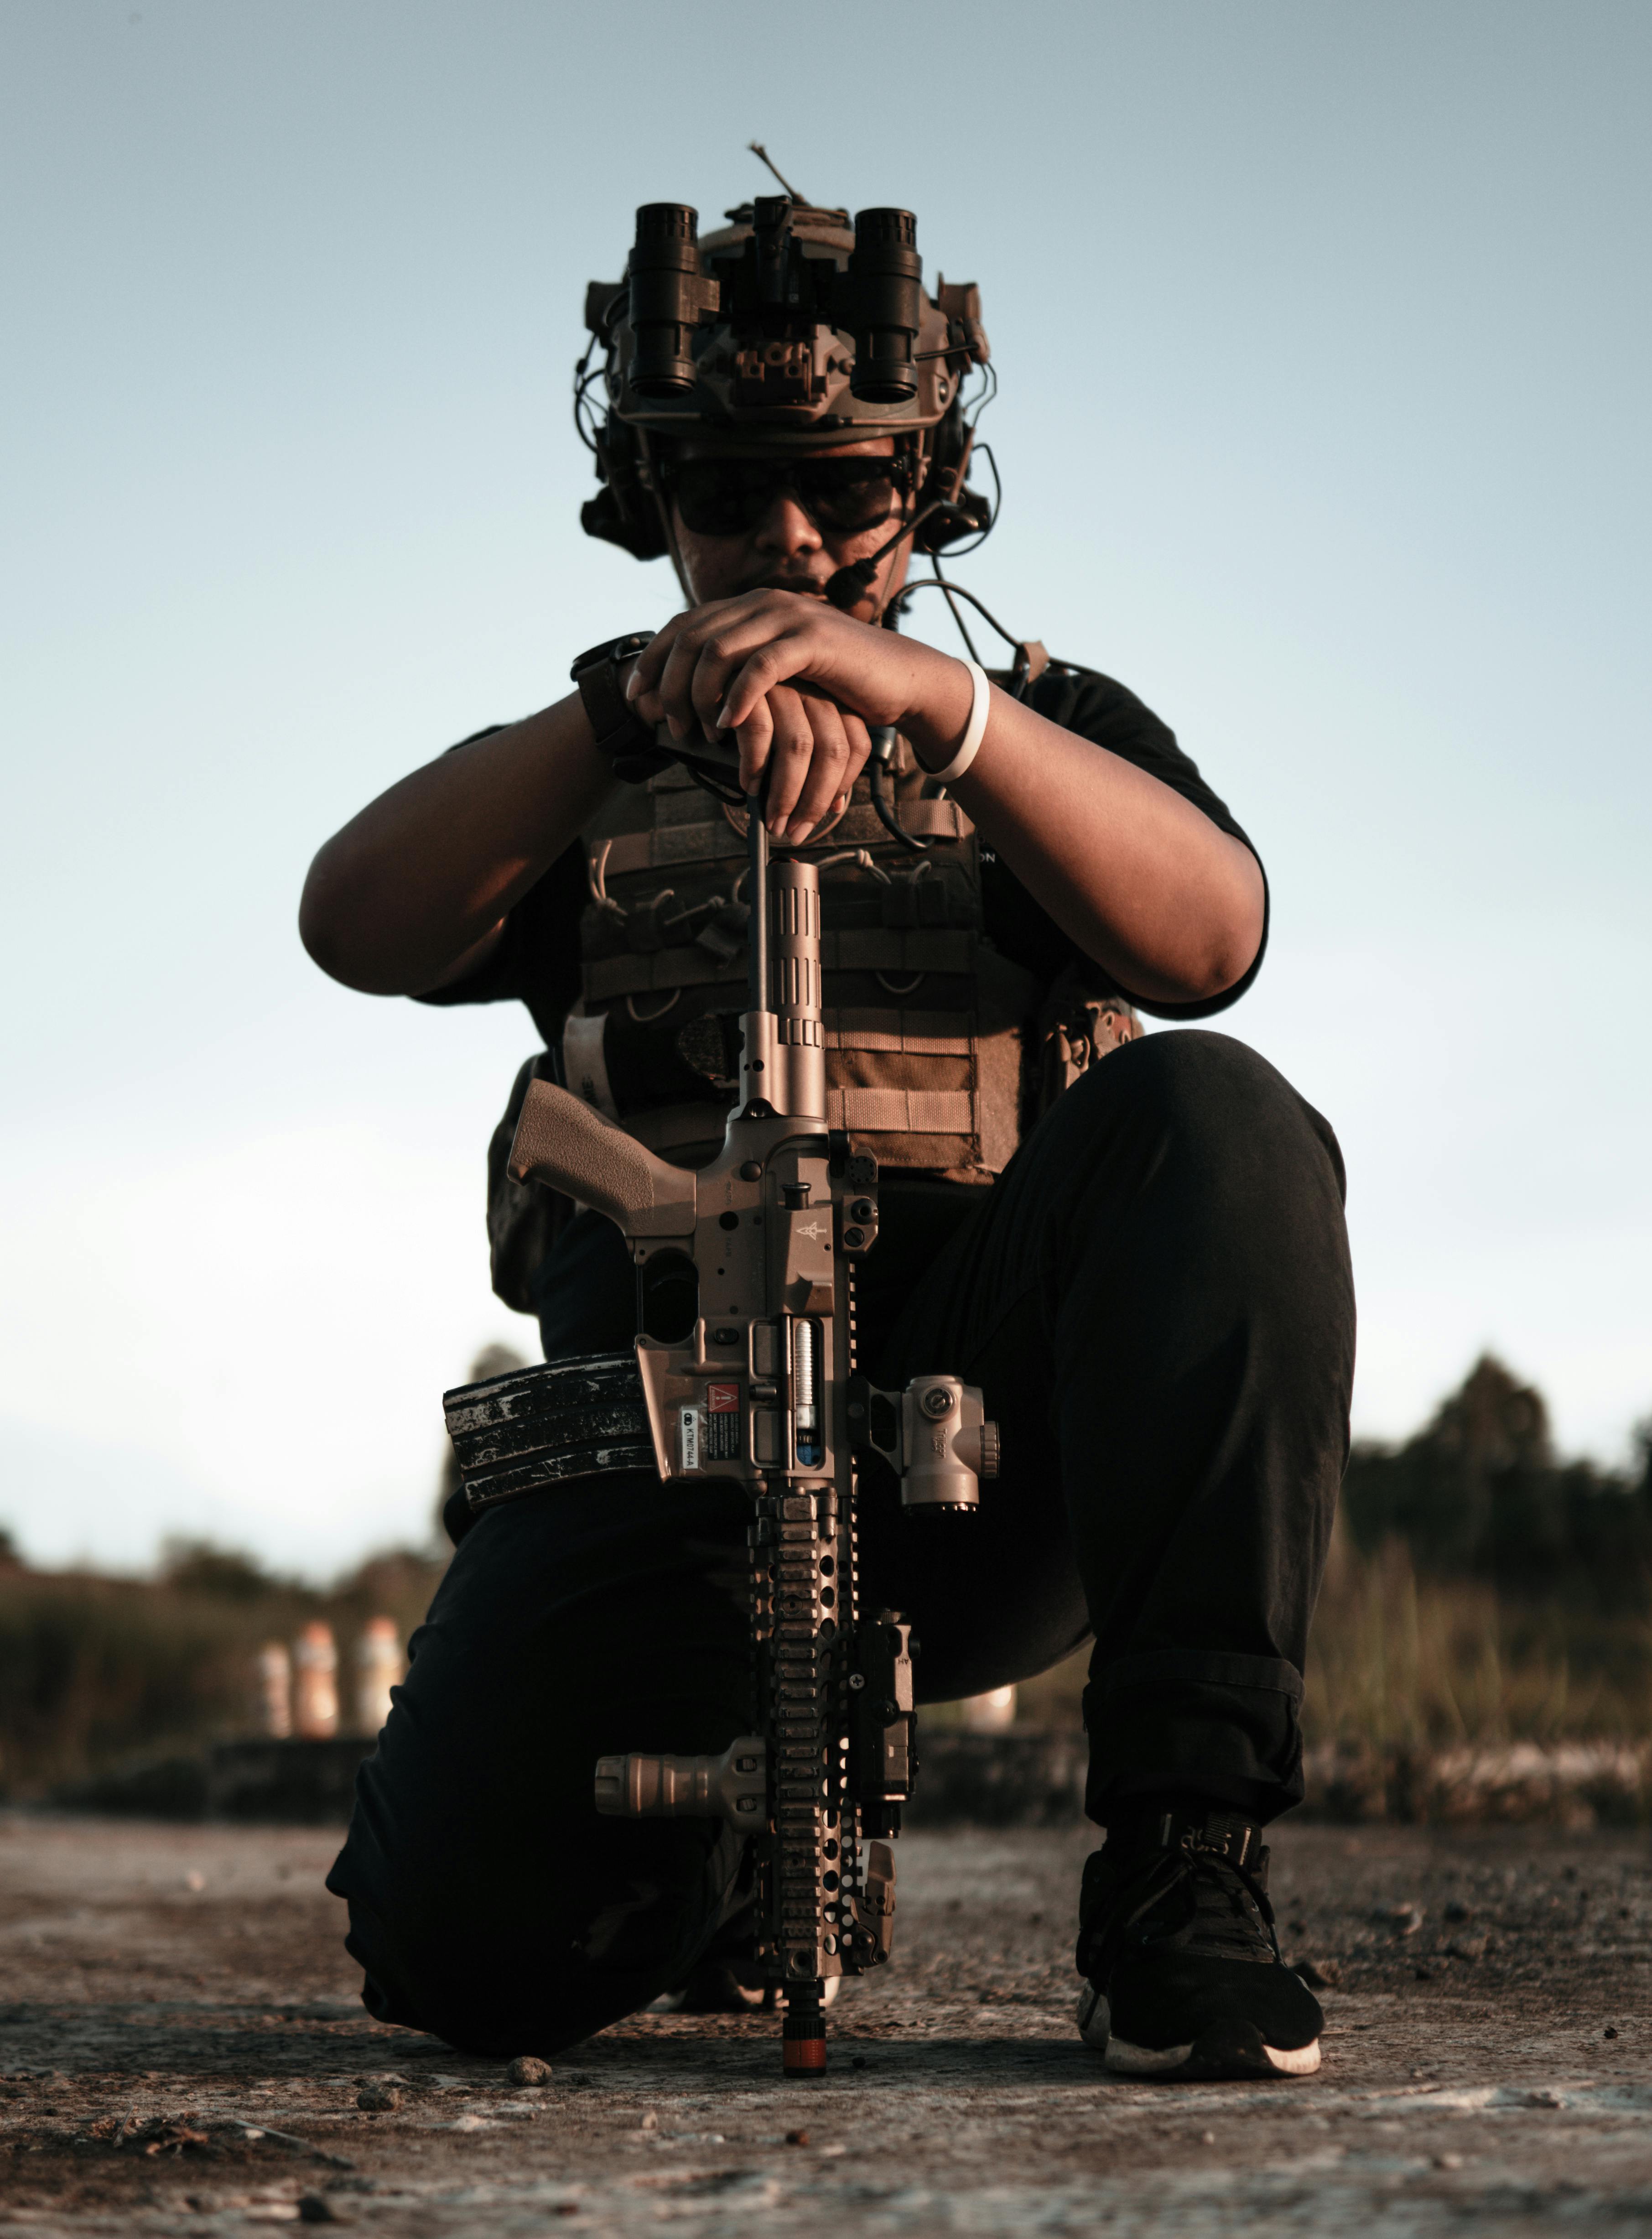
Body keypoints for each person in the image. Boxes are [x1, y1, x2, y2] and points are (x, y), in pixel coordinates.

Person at [301, 180, 1354, 2083]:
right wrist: (620, 719)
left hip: (984, 1468)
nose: (787, 537)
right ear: (654, 509)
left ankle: (1183, 1868)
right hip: (672, 1482)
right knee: (460, 1950)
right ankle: (721, 1856)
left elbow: (1218, 938)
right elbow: (352, 918)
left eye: (846, 495)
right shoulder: (586, 776)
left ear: (927, 494)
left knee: (1223, 1126)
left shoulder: (1034, 733)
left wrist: (933, 710)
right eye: (728, 500)